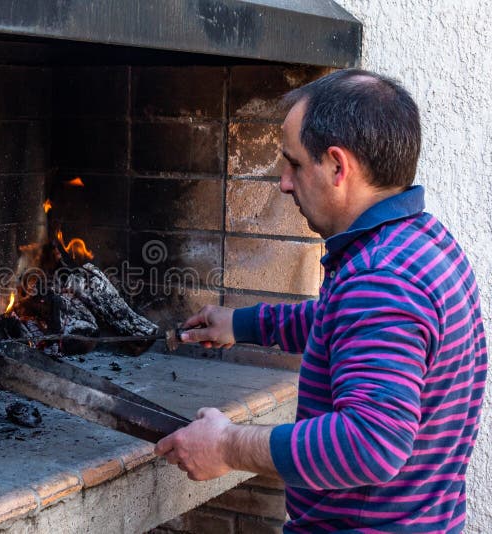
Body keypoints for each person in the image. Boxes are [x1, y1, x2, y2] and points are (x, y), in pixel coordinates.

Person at [154, 69, 487, 533]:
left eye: (293, 163)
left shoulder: (381, 279)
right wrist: (243, 324)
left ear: (337, 166)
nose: (284, 183)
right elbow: (343, 324)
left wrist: (228, 445)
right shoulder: (418, 244)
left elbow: (371, 444)